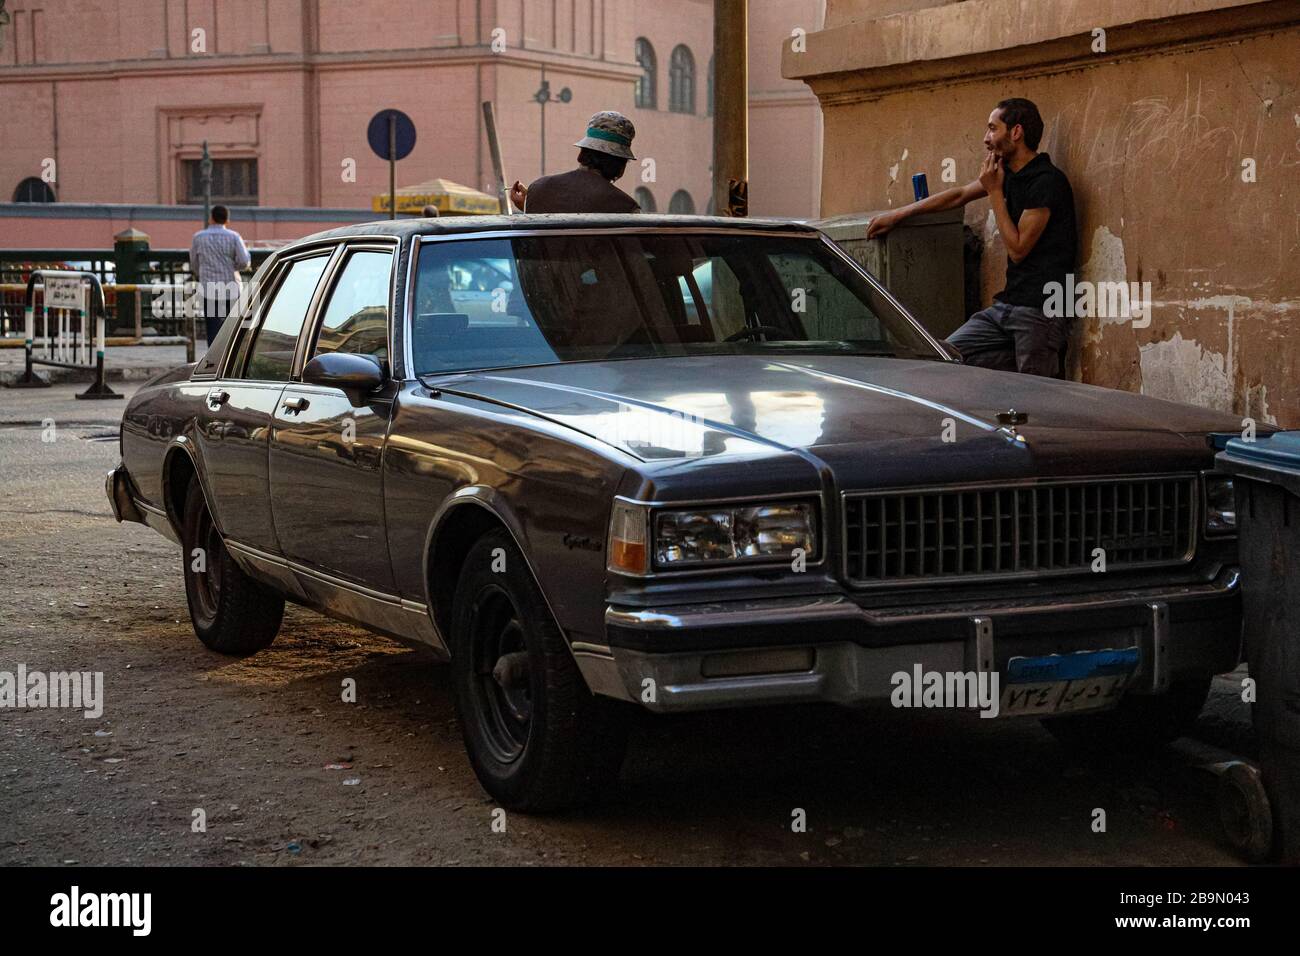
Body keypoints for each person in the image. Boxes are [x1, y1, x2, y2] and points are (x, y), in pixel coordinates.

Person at [867, 98, 1077, 377]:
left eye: (993, 129)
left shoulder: (1046, 181)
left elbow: (1017, 249)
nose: (986, 139)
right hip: (1006, 307)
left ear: (1016, 132)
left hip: (1039, 312)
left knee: (1036, 400)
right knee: (944, 359)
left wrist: (994, 192)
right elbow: (960, 194)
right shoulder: (1006, 174)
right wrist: (897, 215)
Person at [509, 111, 641, 214]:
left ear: (582, 153)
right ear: (620, 165)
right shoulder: (625, 206)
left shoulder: (538, 188)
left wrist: (531, 201)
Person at [188, 205, 251, 346]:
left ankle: (213, 360)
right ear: (227, 220)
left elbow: (193, 262)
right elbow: (244, 261)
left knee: (212, 326)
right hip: (231, 286)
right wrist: (233, 267)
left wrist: (201, 273)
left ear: (211, 218)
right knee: (234, 325)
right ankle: (232, 357)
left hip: (208, 286)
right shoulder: (234, 237)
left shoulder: (198, 237)